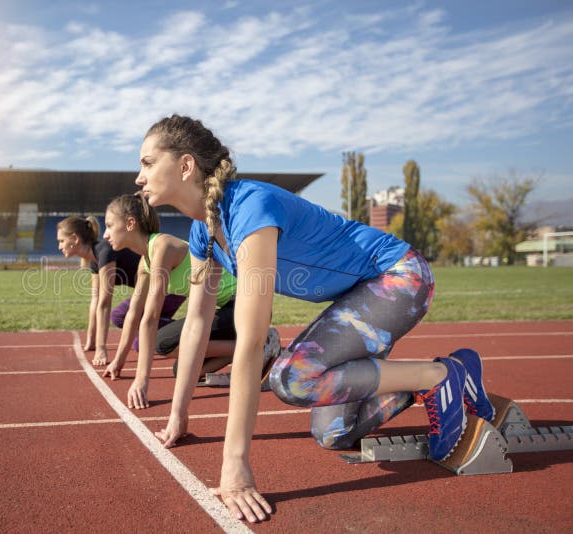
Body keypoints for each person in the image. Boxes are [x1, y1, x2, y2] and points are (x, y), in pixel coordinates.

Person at [135, 114, 495, 523]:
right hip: (356, 296)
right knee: (335, 434)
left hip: (398, 277)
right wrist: (179, 414)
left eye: (147, 162)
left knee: (291, 378)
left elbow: (251, 341)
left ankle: (439, 376)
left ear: (185, 166)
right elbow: (197, 323)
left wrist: (234, 462)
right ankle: (423, 382)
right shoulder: (203, 231)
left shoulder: (250, 208)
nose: (139, 176)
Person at [100, 193, 279, 409]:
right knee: (181, 369)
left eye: (109, 225)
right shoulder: (144, 262)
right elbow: (133, 314)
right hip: (225, 310)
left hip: (245, 305)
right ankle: (255, 347)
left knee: (163, 342)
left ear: (130, 224)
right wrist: (118, 361)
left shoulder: (163, 247)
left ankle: (258, 345)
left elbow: (151, 317)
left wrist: (141, 380)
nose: (105, 234)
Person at [56, 216, 185, 365]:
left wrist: (101, 348)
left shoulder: (105, 251)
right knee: (139, 344)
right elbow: (95, 301)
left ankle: (190, 328)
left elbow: (104, 303)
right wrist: (91, 341)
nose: (59, 246)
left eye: (61, 241)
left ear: (75, 238)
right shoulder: (94, 261)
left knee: (119, 316)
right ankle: (177, 331)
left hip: (170, 287)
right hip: (155, 291)